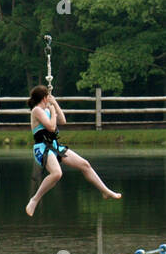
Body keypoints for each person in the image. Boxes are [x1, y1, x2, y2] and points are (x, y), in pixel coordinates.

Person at [25, 85, 120, 216]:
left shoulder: (47, 109)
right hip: (42, 147)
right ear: (45, 97)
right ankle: (34, 199)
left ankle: (105, 191)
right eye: (49, 97)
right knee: (57, 173)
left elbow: (62, 121)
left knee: (85, 165)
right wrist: (52, 112)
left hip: (55, 146)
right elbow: (52, 127)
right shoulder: (36, 110)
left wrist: (55, 104)